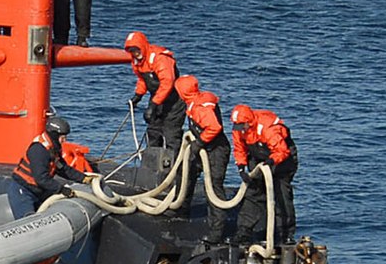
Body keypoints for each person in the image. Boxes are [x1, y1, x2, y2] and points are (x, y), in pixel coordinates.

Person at [228, 103, 298, 247]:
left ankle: (285, 235)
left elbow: (282, 151)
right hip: (258, 157)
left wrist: (271, 161)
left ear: (249, 122)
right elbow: (239, 148)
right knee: (253, 194)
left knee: (281, 194)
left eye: (242, 126)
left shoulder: (267, 128)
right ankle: (244, 232)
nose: (240, 130)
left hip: (281, 159)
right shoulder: (239, 129)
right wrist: (241, 167)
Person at [8, 112, 89, 219]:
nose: (64, 140)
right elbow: (41, 178)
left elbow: (62, 168)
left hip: (40, 190)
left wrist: (83, 178)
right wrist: (61, 189)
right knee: (27, 219)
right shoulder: (39, 150)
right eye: (62, 137)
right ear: (55, 135)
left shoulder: (53, 149)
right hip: (25, 190)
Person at [175, 74, 231, 224]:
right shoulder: (194, 103)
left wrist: (199, 143)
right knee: (184, 173)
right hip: (201, 148)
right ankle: (181, 209)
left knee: (213, 187)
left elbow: (214, 127)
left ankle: (217, 228)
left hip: (215, 150)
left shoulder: (200, 108)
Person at [123, 30, 184, 153]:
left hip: (174, 101)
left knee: (171, 135)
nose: (135, 53)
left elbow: (167, 82)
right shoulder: (137, 61)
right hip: (157, 99)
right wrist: (138, 96)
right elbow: (142, 79)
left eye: (136, 49)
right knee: (153, 133)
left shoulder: (160, 58)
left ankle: (175, 167)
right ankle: (153, 165)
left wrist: (153, 105)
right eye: (131, 51)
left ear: (142, 46)